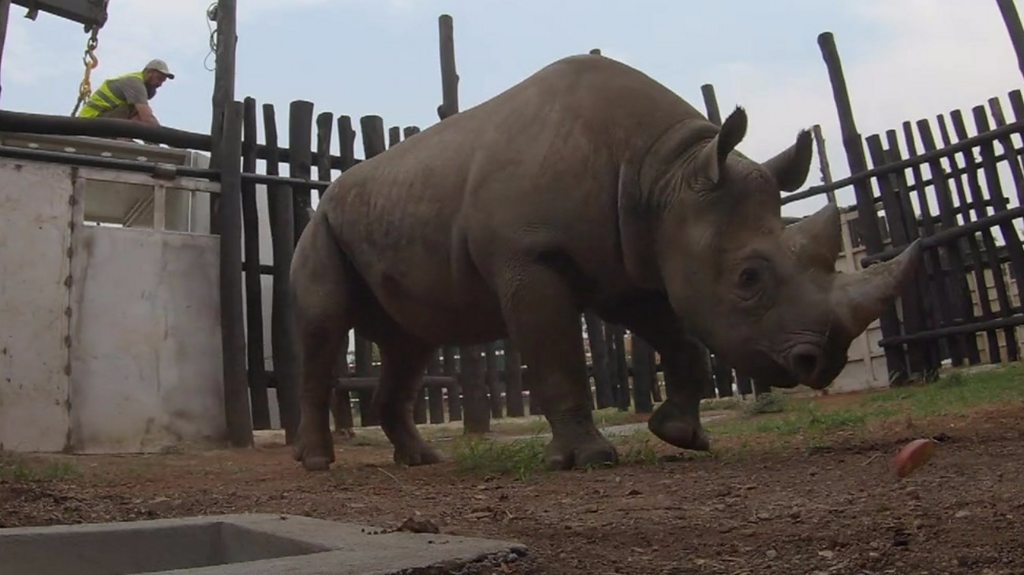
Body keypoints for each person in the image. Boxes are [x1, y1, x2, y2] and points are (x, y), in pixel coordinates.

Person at [77, 59, 174, 126]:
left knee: (137, 113)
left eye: (162, 81)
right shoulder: (134, 83)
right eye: (159, 79)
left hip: (100, 119)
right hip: (91, 120)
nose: (159, 84)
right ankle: (122, 138)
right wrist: (166, 138)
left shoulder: (139, 83)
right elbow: (147, 118)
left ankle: (125, 138)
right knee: (138, 112)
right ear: (149, 73)